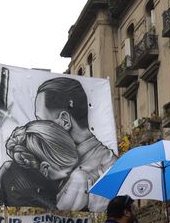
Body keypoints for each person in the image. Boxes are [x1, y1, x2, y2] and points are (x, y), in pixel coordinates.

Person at [34, 77, 116, 212]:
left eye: (42, 123)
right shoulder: (63, 163)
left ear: (65, 121)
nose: (38, 132)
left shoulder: (104, 167)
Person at [0, 120, 79, 208]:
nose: (70, 175)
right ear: (45, 168)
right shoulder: (30, 196)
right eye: (68, 172)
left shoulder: (20, 168)